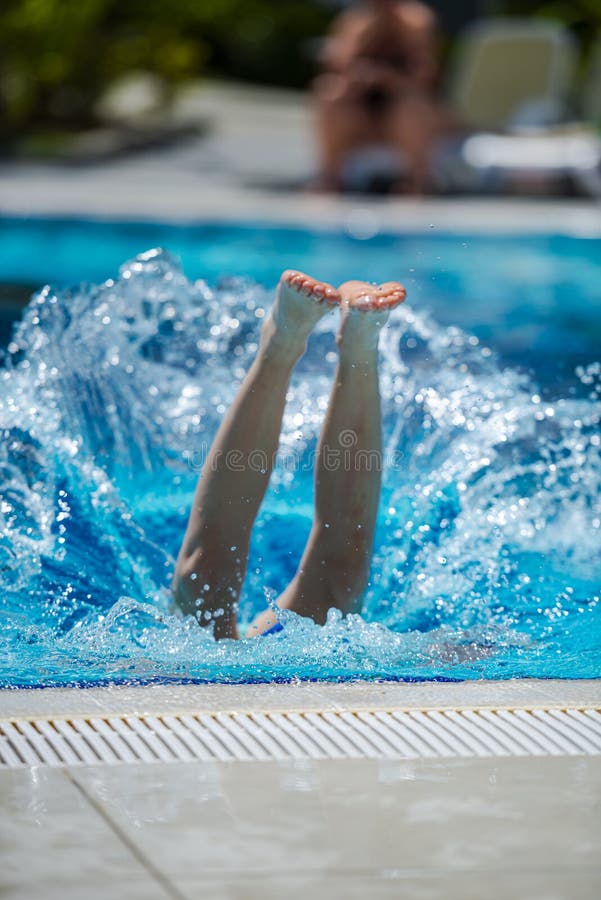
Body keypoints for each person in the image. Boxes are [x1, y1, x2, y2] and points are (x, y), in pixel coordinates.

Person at [173, 270, 406, 639]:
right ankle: (284, 340)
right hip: (262, 653)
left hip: (251, 653)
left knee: (205, 588)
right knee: (205, 575)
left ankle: (356, 345)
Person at [313, 0, 447, 193]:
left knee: (411, 106)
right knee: (330, 92)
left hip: (404, 100)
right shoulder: (355, 21)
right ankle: (331, 175)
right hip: (363, 104)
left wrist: (389, 79)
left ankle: (414, 179)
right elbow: (340, 66)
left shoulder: (415, 19)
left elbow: (425, 74)